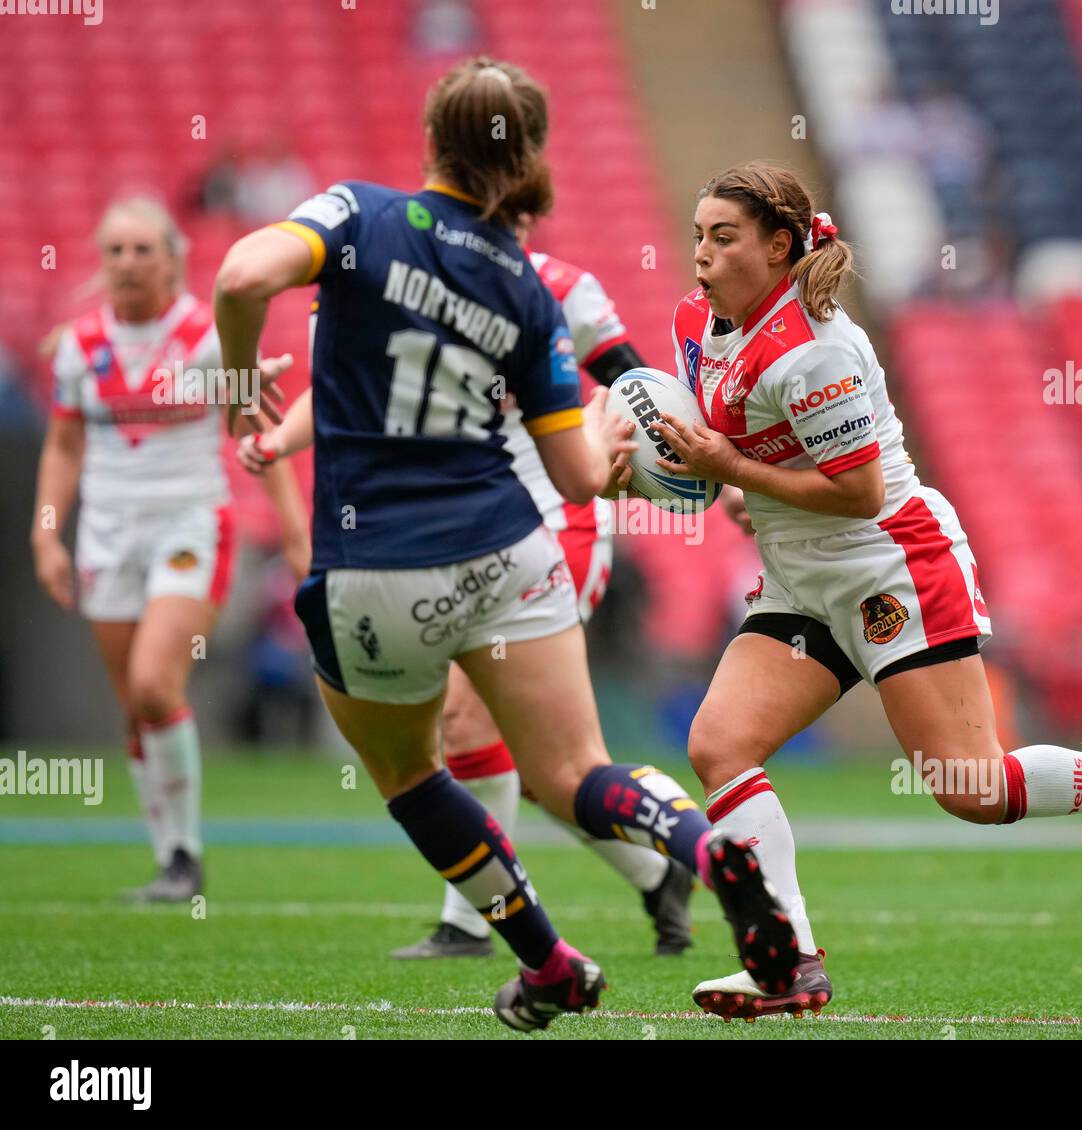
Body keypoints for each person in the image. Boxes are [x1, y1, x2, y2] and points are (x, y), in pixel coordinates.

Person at [212, 57, 796, 1031]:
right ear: (527, 160)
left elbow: (238, 276)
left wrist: (240, 389)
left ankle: (549, 959)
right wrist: (615, 440)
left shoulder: (358, 215)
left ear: (432, 138)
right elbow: (576, 477)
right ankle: (703, 848)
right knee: (575, 770)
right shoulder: (529, 289)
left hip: (375, 567)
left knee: (413, 773)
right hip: (507, 551)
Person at [639, 161, 1082, 1020]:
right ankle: (789, 963)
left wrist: (729, 469)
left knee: (971, 789)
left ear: (779, 247)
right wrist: (711, 483)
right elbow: (748, 453)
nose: (700, 253)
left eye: (723, 237)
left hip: (891, 565)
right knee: (720, 744)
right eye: (698, 234)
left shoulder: (817, 349)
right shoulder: (695, 324)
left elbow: (857, 491)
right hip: (802, 581)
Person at [239, 232, 697, 960]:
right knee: (543, 770)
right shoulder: (404, 281)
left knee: (466, 720)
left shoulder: (559, 286)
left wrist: (676, 465)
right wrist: (275, 445)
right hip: (464, 530)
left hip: (558, 519)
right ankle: (659, 872)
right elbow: (343, 389)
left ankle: (471, 923)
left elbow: (637, 387)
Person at [30, 196, 310, 902]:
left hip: (189, 526)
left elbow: (259, 433)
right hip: (107, 536)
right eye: (115, 250)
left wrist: (298, 534)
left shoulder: (209, 338)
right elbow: (64, 445)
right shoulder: (80, 345)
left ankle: (185, 856)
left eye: (142, 250)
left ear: (173, 260)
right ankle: (169, 859)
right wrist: (46, 531)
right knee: (135, 707)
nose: (127, 263)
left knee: (158, 684)